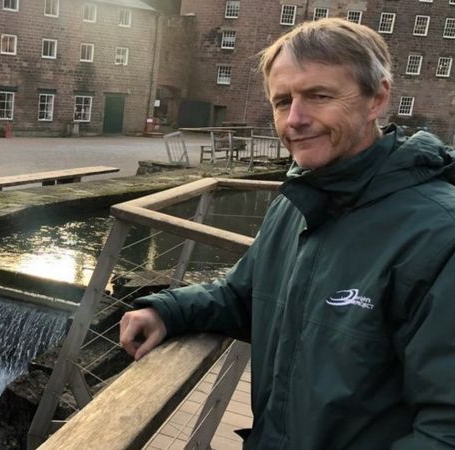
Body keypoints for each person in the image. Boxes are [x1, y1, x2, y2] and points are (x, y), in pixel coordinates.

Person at [119, 18, 455, 450]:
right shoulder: (297, 203)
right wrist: (168, 310)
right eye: (282, 101)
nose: (295, 119)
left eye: (318, 96)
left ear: (377, 99)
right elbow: (245, 296)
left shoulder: (438, 235)